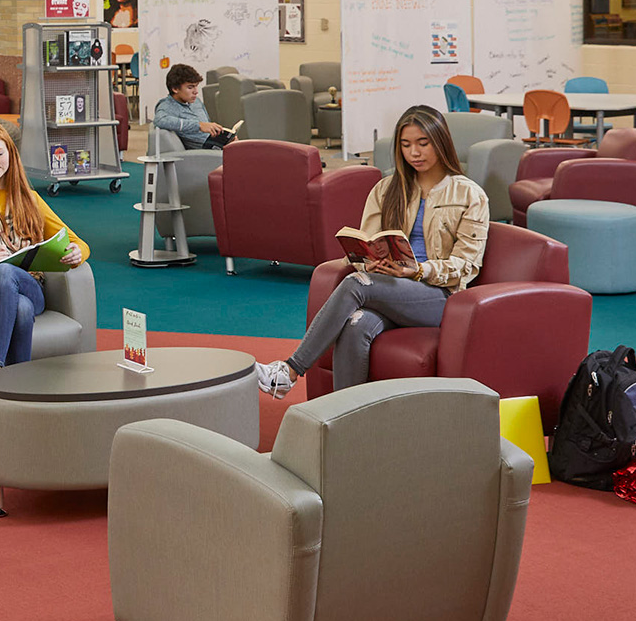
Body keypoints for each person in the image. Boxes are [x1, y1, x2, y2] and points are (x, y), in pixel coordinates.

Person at [255, 105, 489, 399]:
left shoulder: (469, 194)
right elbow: (367, 241)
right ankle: (345, 423)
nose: (414, 153)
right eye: (405, 145)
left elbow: (467, 264)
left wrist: (418, 270)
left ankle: (289, 371)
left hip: (439, 295)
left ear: (440, 141)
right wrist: (370, 263)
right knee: (356, 324)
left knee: (356, 284)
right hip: (391, 287)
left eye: (422, 143)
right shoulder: (386, 189)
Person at [0, 121, 89, 372]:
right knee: (21, 307)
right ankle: (18, 387)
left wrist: (78, 253)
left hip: (28, 283)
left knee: (6, 273)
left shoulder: (30, 200)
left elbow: (75, 241)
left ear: (11, 156)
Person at [152, 63, 233, 149]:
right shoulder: (167, 106)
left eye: (196, 86)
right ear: (175, 88)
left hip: (216, 144)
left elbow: (207, 125)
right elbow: (159, 120)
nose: (196, 91)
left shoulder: (196, 101)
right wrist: (199, 126)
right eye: (190, 87)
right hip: (206, 153)